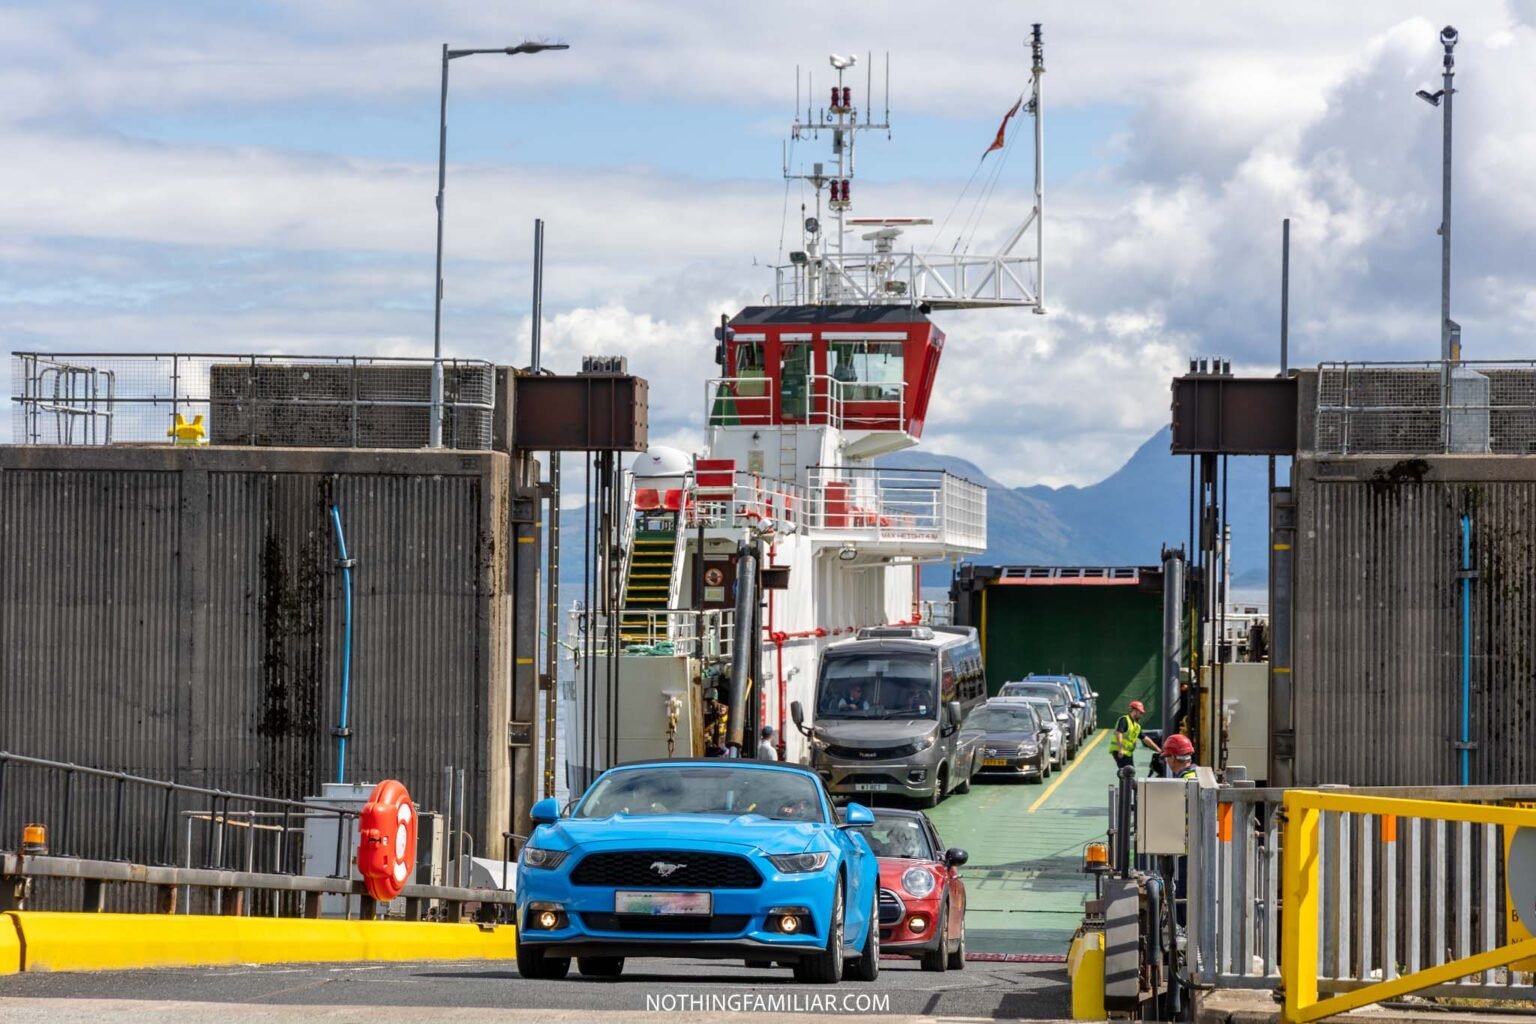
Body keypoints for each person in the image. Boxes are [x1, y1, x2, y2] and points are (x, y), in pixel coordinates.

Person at [1110, 700, 1162, 771]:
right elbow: (1119, 733)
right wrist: (1120, 749)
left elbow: (1145, 738)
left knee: (1129, 772)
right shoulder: (1124, 720)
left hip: (1128, 753)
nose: (1141, 714)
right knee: (1127, 772)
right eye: (1140, 712)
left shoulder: (1137, 726)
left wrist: (1158, 750)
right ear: (1134, 710)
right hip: (1120, 751)